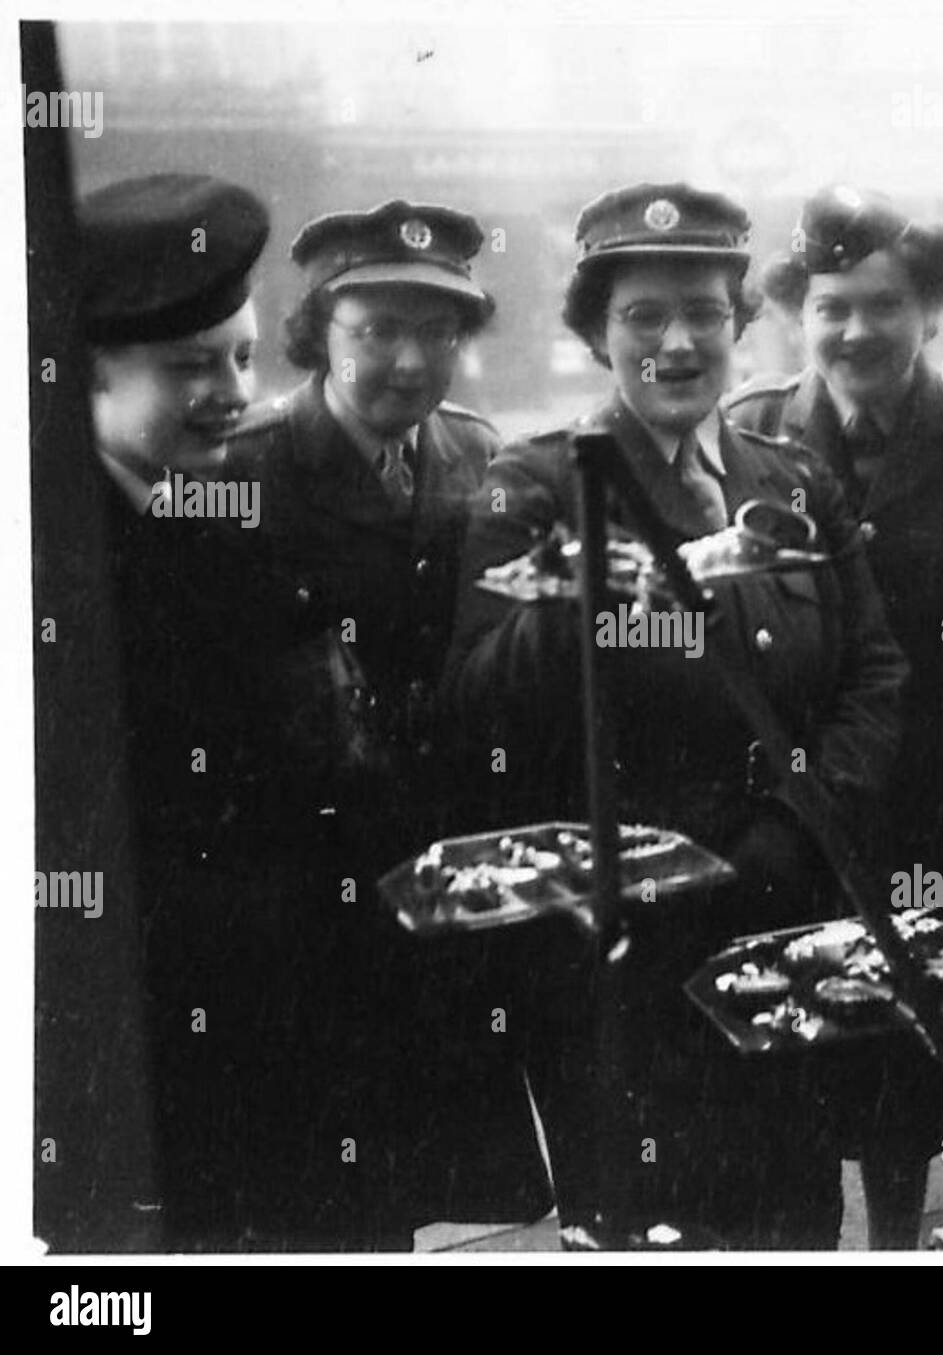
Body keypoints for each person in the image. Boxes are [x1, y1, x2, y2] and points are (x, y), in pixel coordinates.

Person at [440, 182, 909, 1248]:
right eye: (643, 316)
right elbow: (473, 707)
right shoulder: (536, 484)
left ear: (740, 327)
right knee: (643, 1229)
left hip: (780, 917)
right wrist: (569, 597)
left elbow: (874, 671)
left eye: (705, 312)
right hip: (620, 958)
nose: (678, 342)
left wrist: (797, 822)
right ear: (595, 336)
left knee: (790, 1215)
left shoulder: (791, 482)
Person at [224, 199, 551, 1248]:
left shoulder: (476, 453)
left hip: (439, 872)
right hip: (305, 886)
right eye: (377, 331)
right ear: (317, 330)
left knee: (429, 1167)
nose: (411, 362)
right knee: (323, 1184)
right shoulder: (240, 469)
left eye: (438, 331)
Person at [725, 186, 943, 1247]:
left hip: (935, 803)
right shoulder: (748, 430)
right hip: (799, 802)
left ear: (930, 311)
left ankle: (896, 1244)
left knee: (910, 1062)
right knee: (793, 1045)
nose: (857, 330)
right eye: (831, 307)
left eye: (885, 304)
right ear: (796, 315)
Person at [81, 172, 332, 1249]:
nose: (233, 392)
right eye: (190, 366)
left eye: (242, 357)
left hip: (257, 1027)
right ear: (85, 372)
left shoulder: (210, 516)